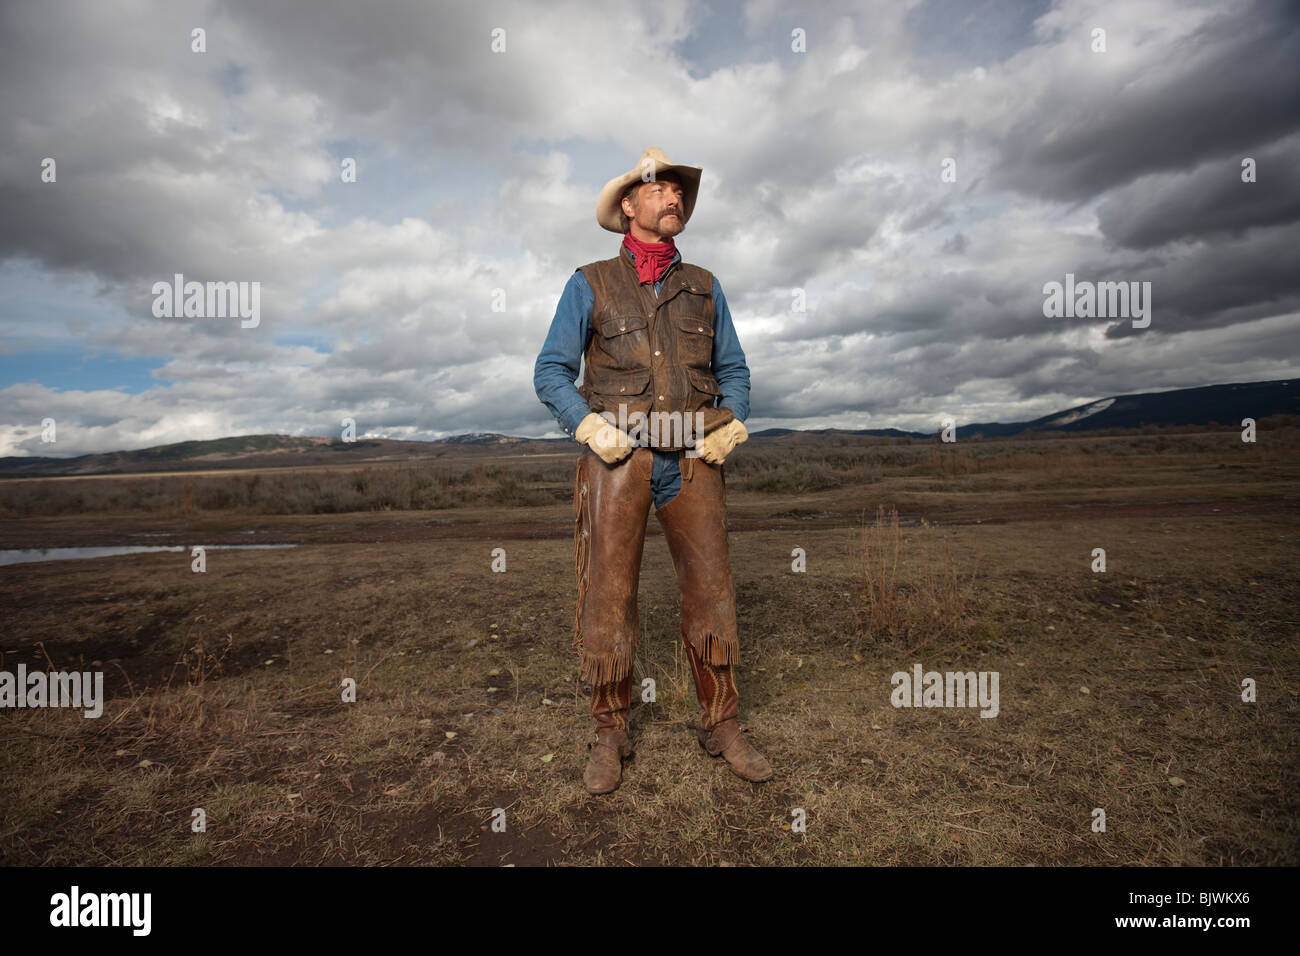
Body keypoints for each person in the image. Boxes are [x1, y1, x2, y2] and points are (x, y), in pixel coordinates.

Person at [533, 146, 773, 794]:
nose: (674, 197)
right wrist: (587, 426)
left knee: (712, 593)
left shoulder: (705, 286)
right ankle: (610, 733)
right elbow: (550, 371)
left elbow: (735, 370)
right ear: (629, 206)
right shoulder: (589, 283)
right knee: (608, 601)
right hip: (619, 462)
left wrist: (737, 420)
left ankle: (721, 724)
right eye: (660, 188)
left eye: (680, 191)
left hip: (695, 459)